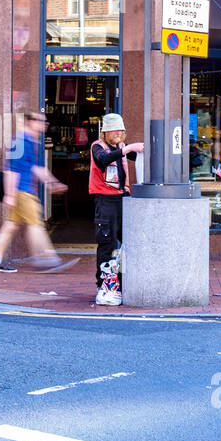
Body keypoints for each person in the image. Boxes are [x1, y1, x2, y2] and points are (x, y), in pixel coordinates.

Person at [0, 111, 74, 273]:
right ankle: (47, 259)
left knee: (11, 226)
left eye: (45, 121)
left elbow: (37, 168)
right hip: (22, 192)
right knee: (36, 224)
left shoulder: (32, 142)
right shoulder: (21, 141)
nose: (44, 123)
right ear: (30, 122)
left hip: (22, 191)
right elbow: (11, 169)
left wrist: (53, 183)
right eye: (40, 120)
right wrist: (9, 194)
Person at [89, 113, 143, 305]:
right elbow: (102, 160)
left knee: (123, 244)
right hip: (106, 202)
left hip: (123, 198)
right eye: (115, 130)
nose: (119, 133)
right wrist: (128, 148)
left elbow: (139, 156)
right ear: (105, 132)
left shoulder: (121, 147)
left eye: (121, 130)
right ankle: (103, 285)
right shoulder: (98, 147)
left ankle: (118, 283)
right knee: (107, 243)